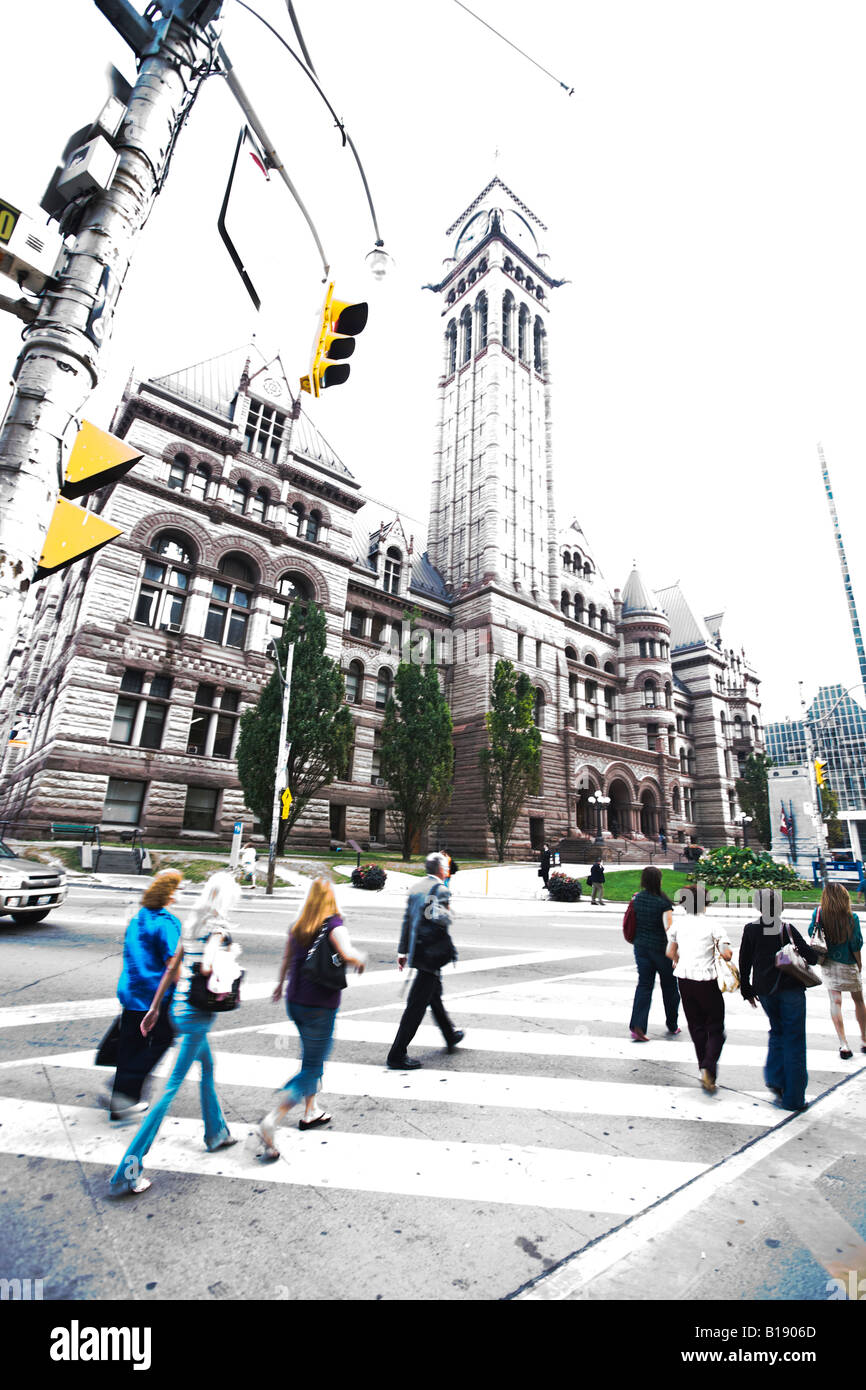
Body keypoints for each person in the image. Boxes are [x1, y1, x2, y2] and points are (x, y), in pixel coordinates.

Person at [107, 871, 242, 1196]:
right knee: (168, 1092)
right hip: (196, 1017)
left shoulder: (192, 926)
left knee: (208, 1067)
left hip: (177, 1010)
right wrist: (231, 956)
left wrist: (154, 1010)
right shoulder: (217, 930)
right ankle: (128, 1169)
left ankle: (216, 1133)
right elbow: (209, 969)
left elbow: (172, 970)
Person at [257, 878, 366, 1161]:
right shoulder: (333, 925)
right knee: (313, 1066)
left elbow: (285, 960)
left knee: (310, 1058)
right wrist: (360, 960)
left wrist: (280, 986)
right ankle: (273, 1118)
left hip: (295, 1001)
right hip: (320, 1005)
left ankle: (311, 1111)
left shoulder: (299, 926)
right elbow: (346, 953)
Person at [107, 869, 183, 1123]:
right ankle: (126, 1088)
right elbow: (173, 965)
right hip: (153, 996)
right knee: (163, 1038)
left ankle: (119, 1102)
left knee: (130, 1046)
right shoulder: (167, 923)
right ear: (169, 894)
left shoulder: (137, 918)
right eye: (178, 889)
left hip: (130, 990)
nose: (180, 893)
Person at [739, 887, 820, 1112]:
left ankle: (775, 1078)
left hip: (764, 991)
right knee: (794, 1040)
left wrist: (746, 989)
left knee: (776, 1031)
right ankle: (793, 1099)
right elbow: (812, 959)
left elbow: (744, 961)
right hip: (790, 990)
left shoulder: (751, 929)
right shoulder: (787, 929)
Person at [387, 852, 463, 1070]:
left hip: (417, 951)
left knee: (433, 995)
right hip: (430, 955)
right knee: (416, 1007)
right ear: (441, 870)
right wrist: (449, 913)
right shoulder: (441, 890)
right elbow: (440, 918)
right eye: (446, 866)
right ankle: (397, 1054)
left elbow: (407, 921)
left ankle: (449, 1034)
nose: (448, 869)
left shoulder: (415, 888)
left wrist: (403, 952)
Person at [666, 884, 733, 1092]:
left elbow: (670, 952)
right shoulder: (713, 925)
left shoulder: (678, 924)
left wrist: (678, 960)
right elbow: (727, 954)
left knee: (696, 1027)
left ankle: (702, 1065)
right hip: (707, 980)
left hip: (684, 980)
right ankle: (709, 1067)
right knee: (716, 1028)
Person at [808, 883, 866, 1059]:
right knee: (859, 1001)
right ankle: (864, 1039)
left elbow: (812, 932)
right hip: (848, 963)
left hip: (828, 963)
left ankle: (844, 1044)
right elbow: (856, 944)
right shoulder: (851, 917)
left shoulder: (819, 914)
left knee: (835, 1002)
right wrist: (860, 964)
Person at [628, 865, 680, 1041]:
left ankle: (638, 1026)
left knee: (644, 986)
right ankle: (672, 1024)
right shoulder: (663, 903)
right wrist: (677, 952)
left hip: (641, 948)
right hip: (661, 950)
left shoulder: (637, 899)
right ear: (659, 880)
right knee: (670, 988)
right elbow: (669, 929)